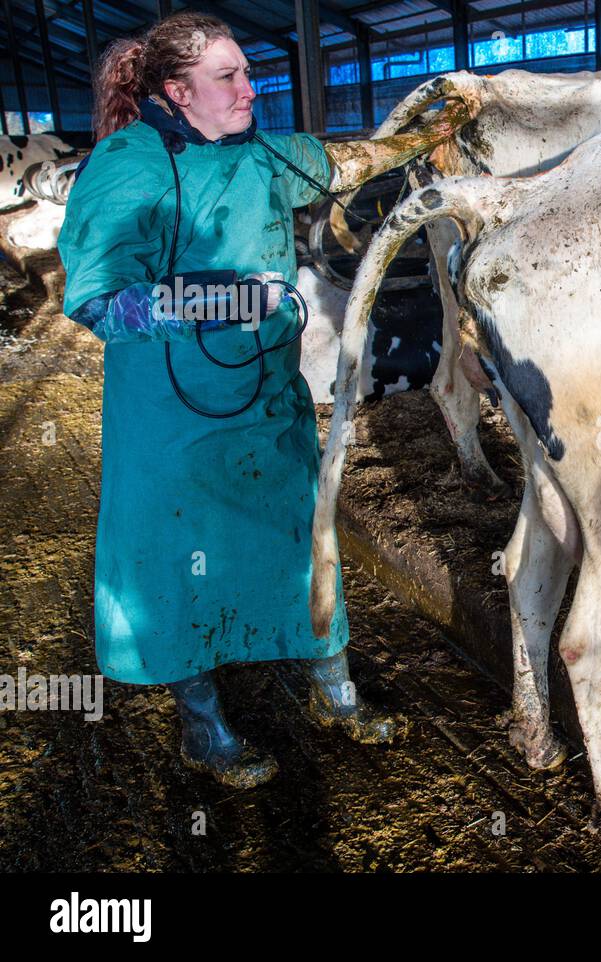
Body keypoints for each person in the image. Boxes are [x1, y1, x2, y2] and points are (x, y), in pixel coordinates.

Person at [58, 12, 444, 788]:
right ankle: (203, 728)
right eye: (227, 76)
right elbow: (96, 299)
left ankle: (334, 693)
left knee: (303, 538)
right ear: (177, 91)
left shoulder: (265, 152)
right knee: (175, 561)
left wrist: (432, 129)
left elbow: (344, 162)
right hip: (170, 419)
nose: (249, 87)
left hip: (267, 400)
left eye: (247, 70)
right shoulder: (128, 166)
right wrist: (219, 302)